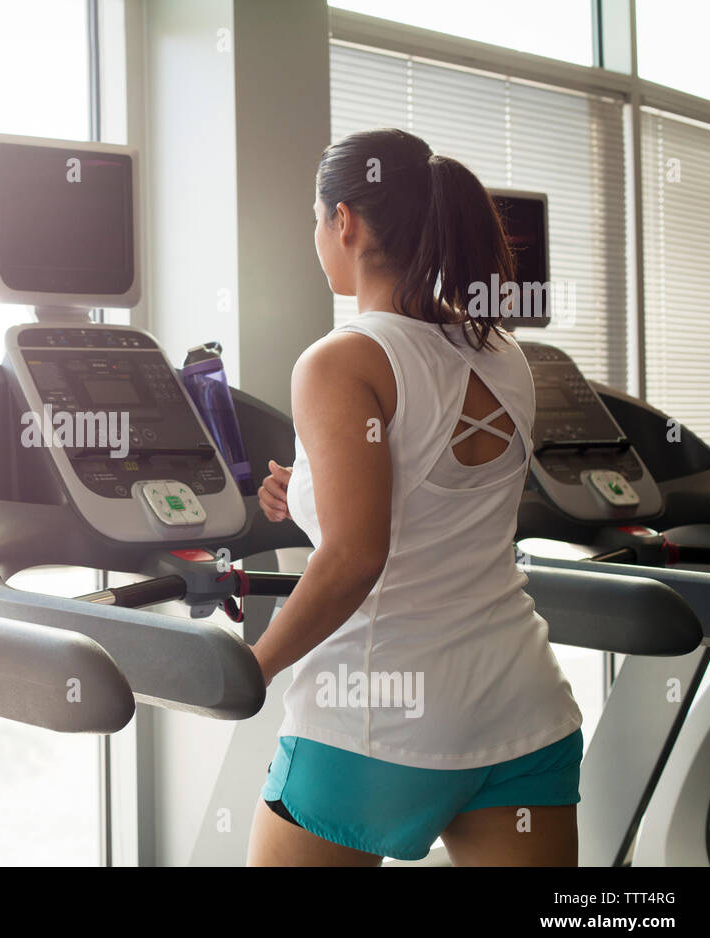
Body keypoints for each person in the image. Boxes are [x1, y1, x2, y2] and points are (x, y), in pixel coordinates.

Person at [246, 128, 582, 867]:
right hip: (522, 716)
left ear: (345, 222)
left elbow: (357, 556)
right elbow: (442, 486)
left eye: (316, 218)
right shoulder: (503, 352)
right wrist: (305, 490)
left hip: (376, 725)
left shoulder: (340, 359)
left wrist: (253, 668)